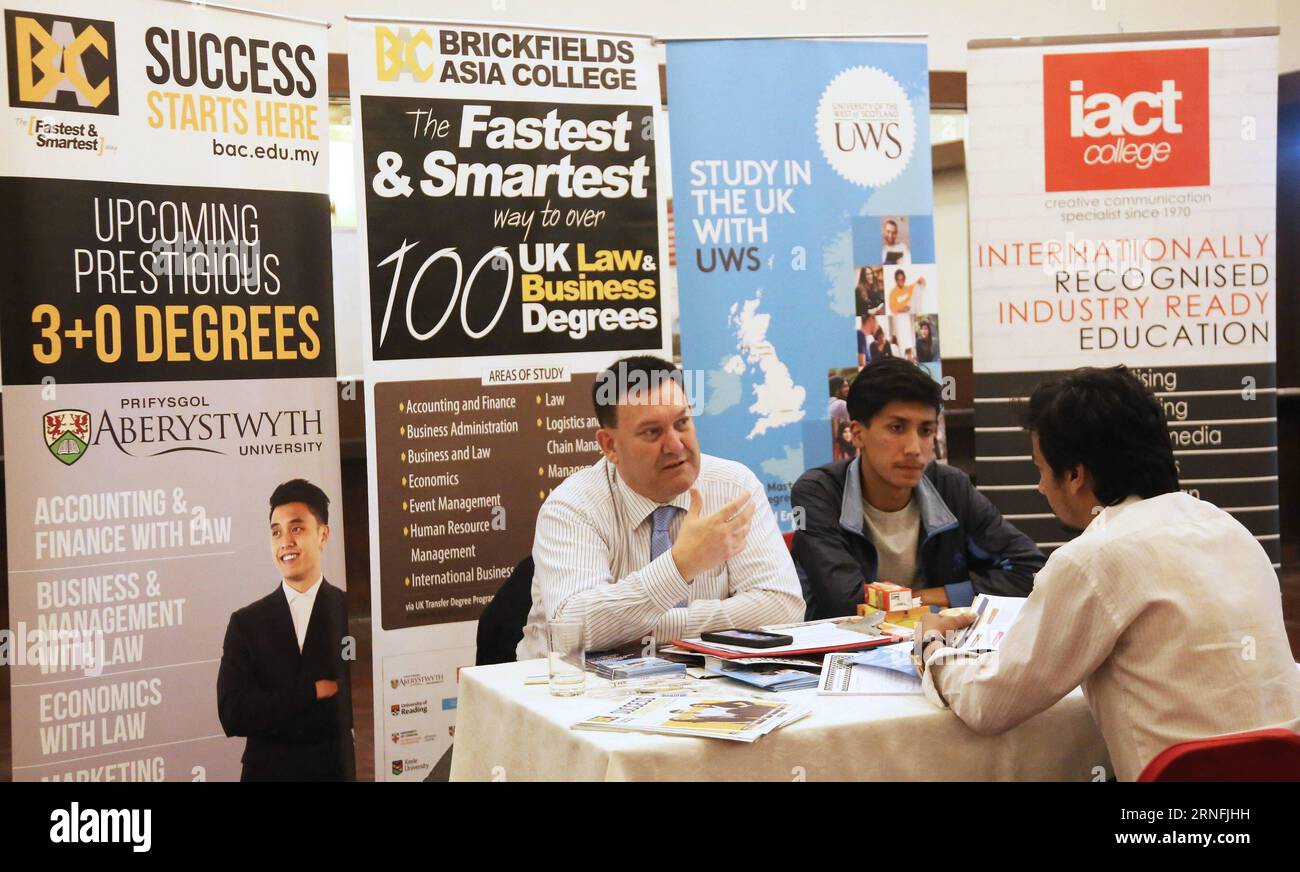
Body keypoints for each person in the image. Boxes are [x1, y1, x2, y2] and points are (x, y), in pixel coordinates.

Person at [914, 367, 1300, 780]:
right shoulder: (1232, 531)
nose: (1041, 487)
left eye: (1041, 468)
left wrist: (934, 648)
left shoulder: (1093, 558)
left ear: (1075, 475)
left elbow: (990, 704)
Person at [517, 356, 804, 659]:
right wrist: (681, 565)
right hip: (569, 695)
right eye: (652, 432)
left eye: (682, 423)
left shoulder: (733, 486)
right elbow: (573, 629)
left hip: (701, 688)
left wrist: (652, 626)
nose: (676, 445)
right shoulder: (572, 506)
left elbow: (783, 605)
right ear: (610, 446)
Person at [792, 359, 1042, 619]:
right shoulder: (818, 493)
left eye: (926, 430)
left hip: (938, 648)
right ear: (857, 434)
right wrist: (944, 601)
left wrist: (918, 598)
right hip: (847, 653)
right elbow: (844, 603)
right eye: (897, 427)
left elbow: (1032, 572)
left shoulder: (950, 485)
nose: (914, 448)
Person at [217, 479, 355, 781]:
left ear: (323, 534)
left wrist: (271, 708)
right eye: (276, 532)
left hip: (332, 771)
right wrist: (313, 691)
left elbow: (349, 699)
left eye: (297, 528)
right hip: (267, 772)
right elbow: (233, 713)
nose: (285, 541)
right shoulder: (246, 623)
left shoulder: (348, 612)